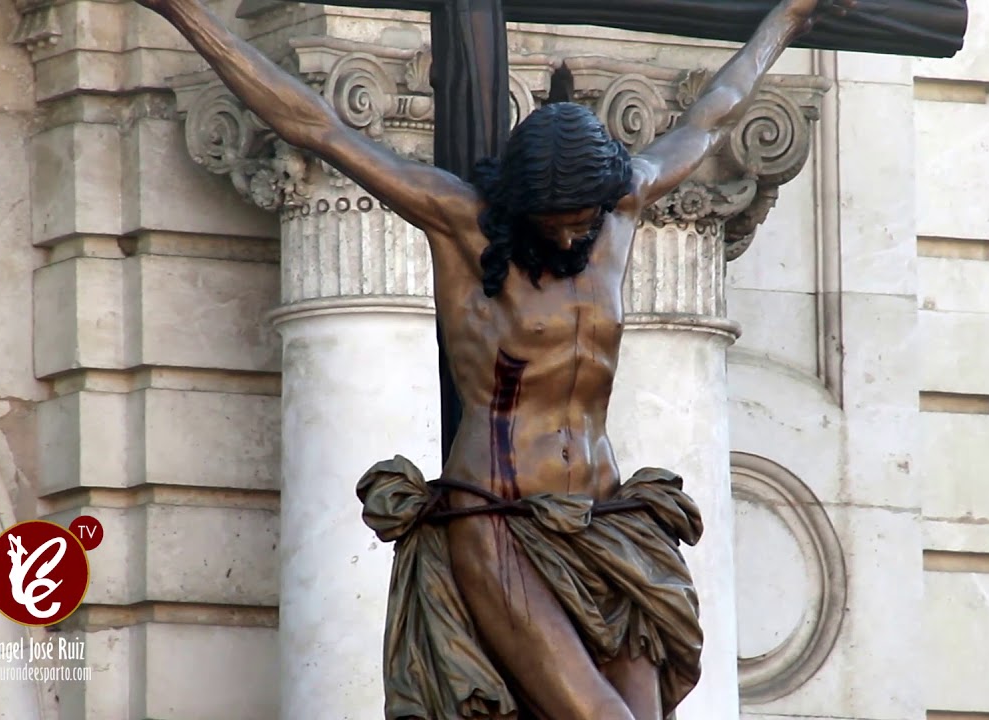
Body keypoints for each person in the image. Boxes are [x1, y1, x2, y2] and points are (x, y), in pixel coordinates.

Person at [135, 0, 851, 717]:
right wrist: (183, 15)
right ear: (520, 207)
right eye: (558, 224)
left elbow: (714, 114)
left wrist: (785, 20)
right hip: (498, 518)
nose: (575, 239)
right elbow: (314, 125)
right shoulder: (461, 225)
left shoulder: (619, 209)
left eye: (584, 222)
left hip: (608, 521)